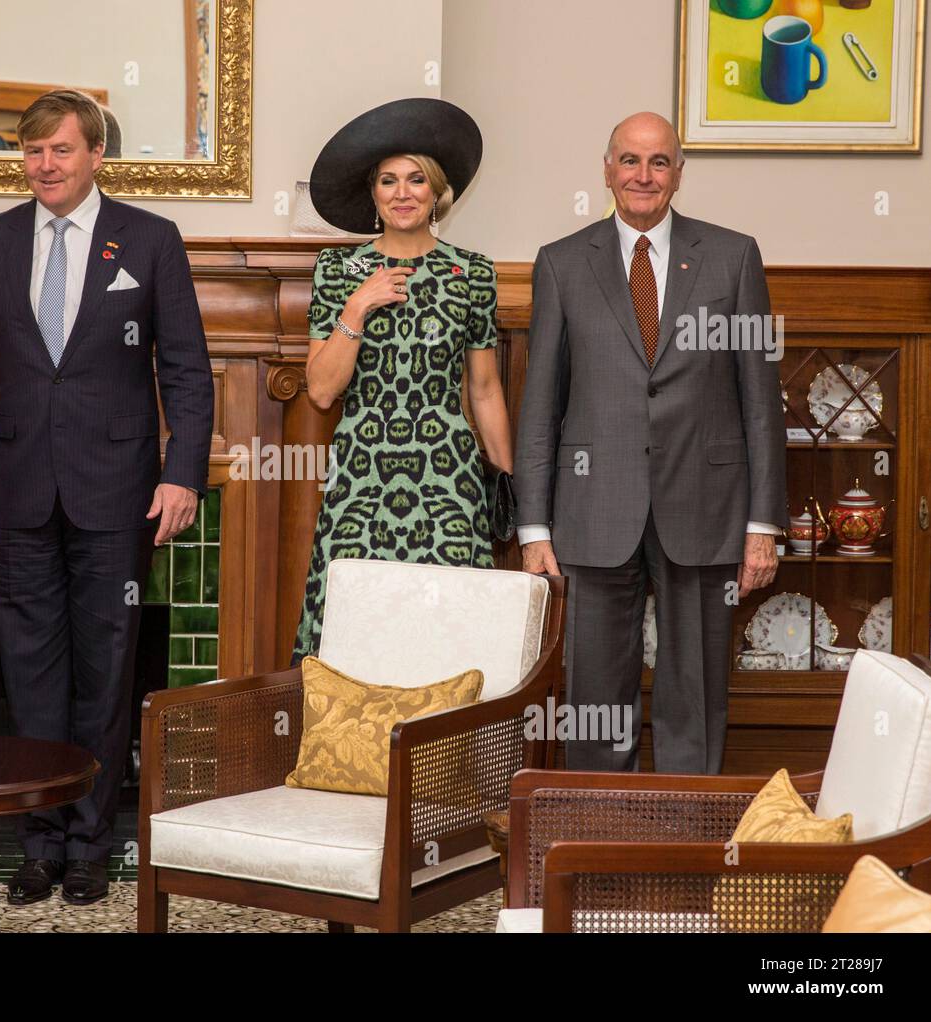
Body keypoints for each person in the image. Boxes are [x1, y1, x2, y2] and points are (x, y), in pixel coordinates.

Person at [0, 89, 213, 907]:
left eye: (60, 150)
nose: (45, 165)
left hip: (118, 493)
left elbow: (187, 372)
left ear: (97, 155)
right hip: (15, 493)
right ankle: (39, 843)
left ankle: (92, 845)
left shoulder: (153, 240)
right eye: (32, 152)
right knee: (29, 681)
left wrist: (182, 472)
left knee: (105, 675)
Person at [514, 112, 786, 774]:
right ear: (606, 170)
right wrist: (533, 529)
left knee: (694, 693)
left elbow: (759, 400)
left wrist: (763, 524)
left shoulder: (733, 255)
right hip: (592, 510)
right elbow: (541, 405)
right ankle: (597, 842)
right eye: (629, 161)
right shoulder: (560, 263)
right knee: (595, 698)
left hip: (706, 504)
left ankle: (687, 845)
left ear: (679, 174)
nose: (643, 175)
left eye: (659, 162)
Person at [293, 98, 513, 661]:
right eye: (388, 180)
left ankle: (437, 749)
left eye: (416, 179)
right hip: (361, 479)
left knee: (444, 639)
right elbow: (321, 391)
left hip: (448, 481)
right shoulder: (338, 272)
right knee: (355, 635)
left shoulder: (472, 273)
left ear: (436, 190)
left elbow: (484, 389)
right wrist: (358, 307)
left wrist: (512, 484)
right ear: (373, 194)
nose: (402, 192)